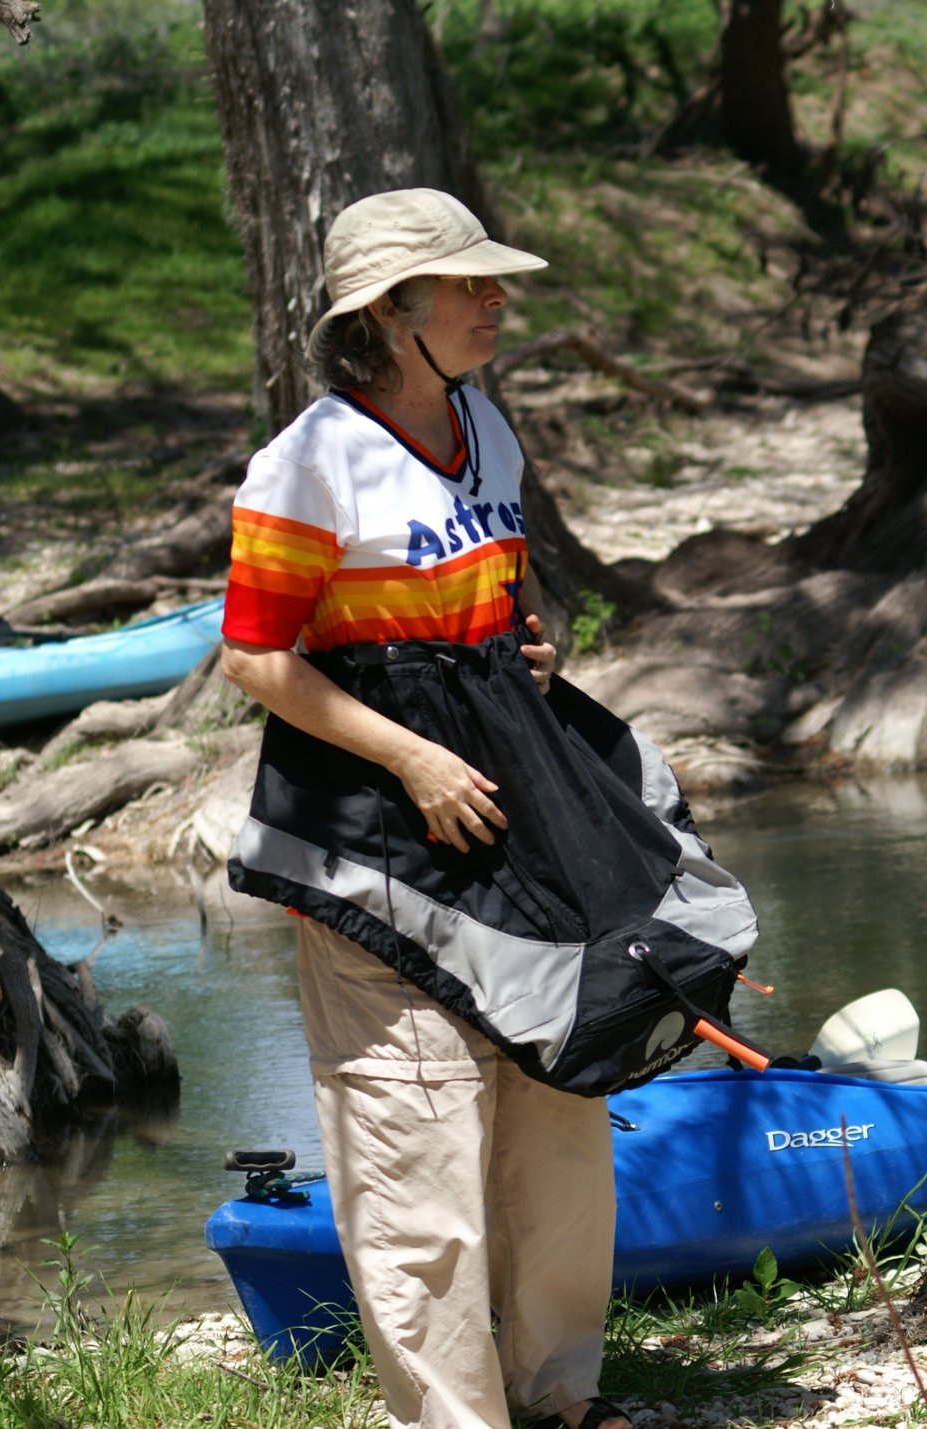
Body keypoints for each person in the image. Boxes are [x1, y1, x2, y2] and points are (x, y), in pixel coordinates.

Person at [219, 187, 650, 1429]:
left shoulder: (487, 428)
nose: (494, 299)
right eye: (466, 284)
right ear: (386, 313)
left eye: (488, 280)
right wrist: (410, 758)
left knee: (560, 1115)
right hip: (369, 838)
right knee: (414, 1157)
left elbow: (498, 603)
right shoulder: (308, 462)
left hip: (515, 819)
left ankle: (562, 1397)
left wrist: (531, 650)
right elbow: (254, 656)